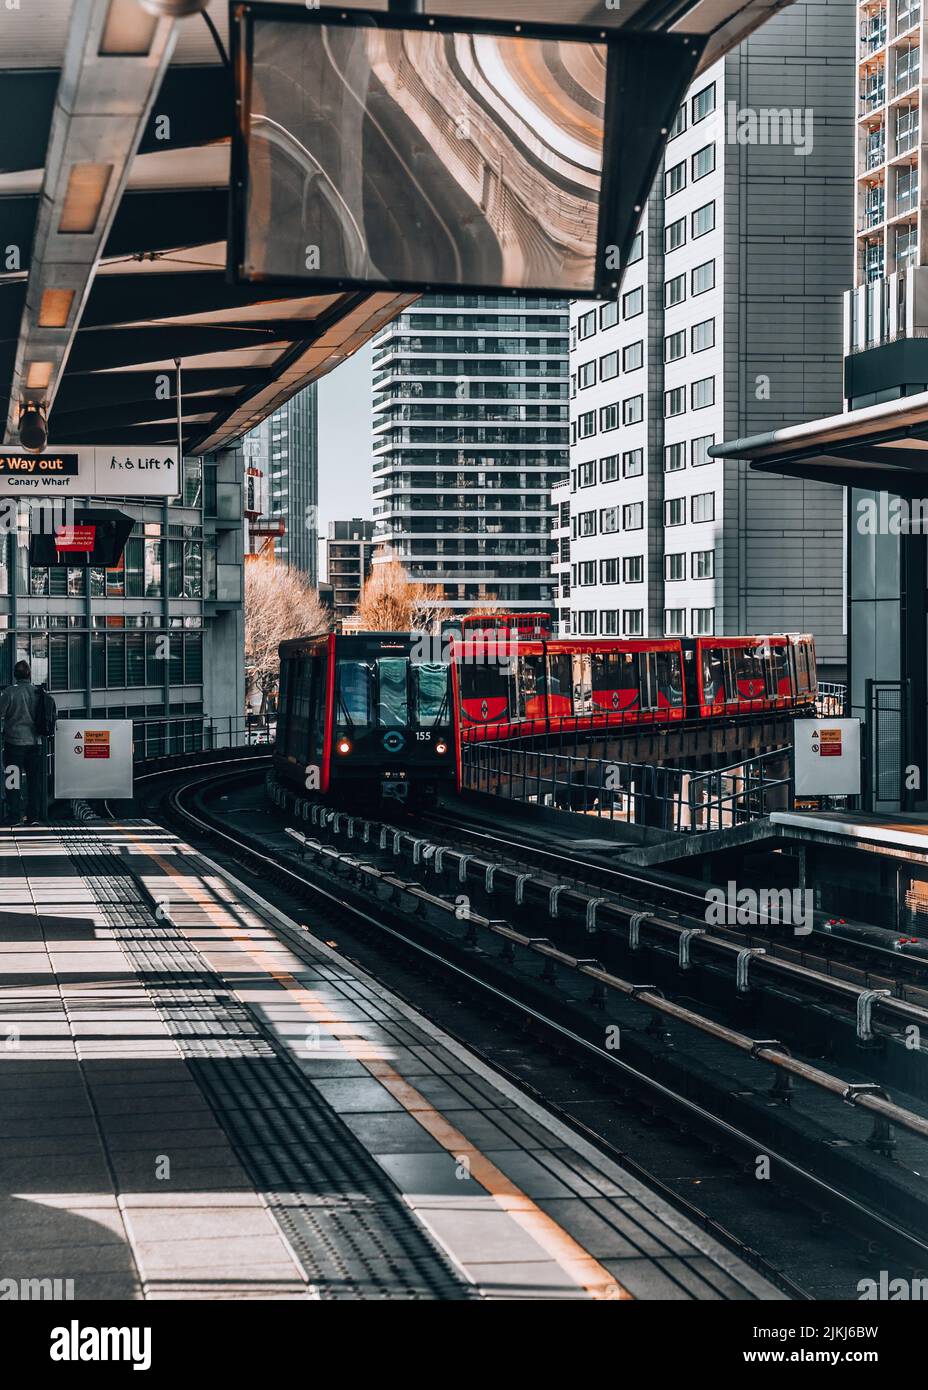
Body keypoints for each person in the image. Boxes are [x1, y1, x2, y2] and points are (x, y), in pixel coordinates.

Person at [0, 660, 54, 825]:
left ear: (15, 675)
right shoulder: (38, 692)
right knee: (33, 782)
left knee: (13, 781)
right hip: (34, 744)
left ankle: (14, 815)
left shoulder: (9, 693)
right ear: (29, 675)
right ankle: (33, 817)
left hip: (13, 744)